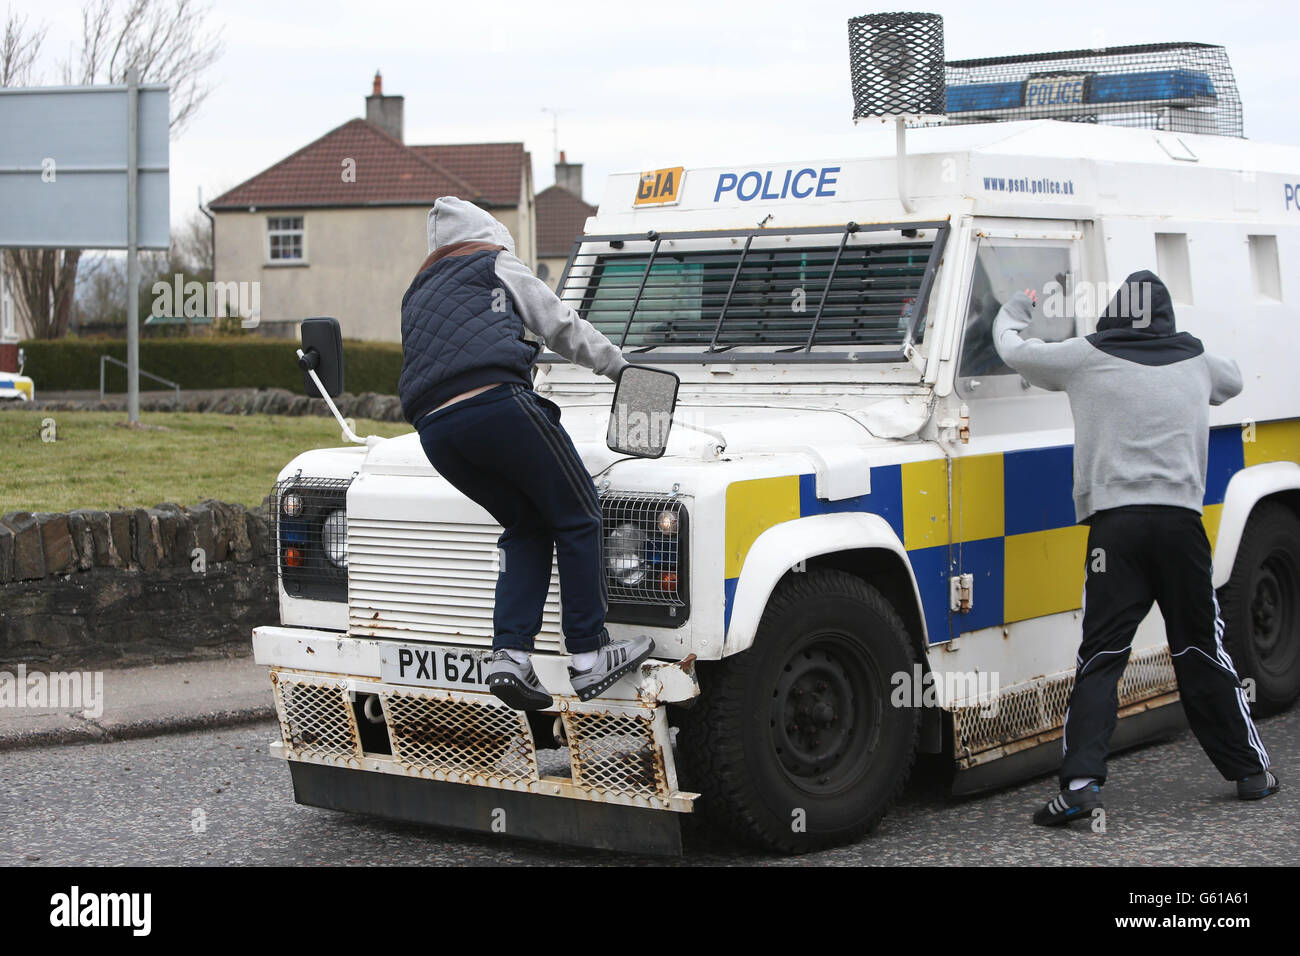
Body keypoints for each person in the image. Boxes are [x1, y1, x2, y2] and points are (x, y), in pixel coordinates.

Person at [991, 269, 1279, 826]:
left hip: (1115, 533)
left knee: (1101, 655)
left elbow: (1013, 349)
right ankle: (1250, 773)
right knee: (1200, 650)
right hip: (1180, 529)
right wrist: (1189, 351)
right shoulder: (1195, 360)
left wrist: (1019, 303)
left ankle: (1080, 787)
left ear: (1115, 312)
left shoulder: (1085, 355)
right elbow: (1235, 380)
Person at [398, 196, 654, 710]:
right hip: (497, 406)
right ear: (492, 236)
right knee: (579, 515)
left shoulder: (417, 291)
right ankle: (588, 655)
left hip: (436, 432)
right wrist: (621, 368)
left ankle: (510, 656)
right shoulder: (492, 260)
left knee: (526, 526)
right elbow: (558, 324)